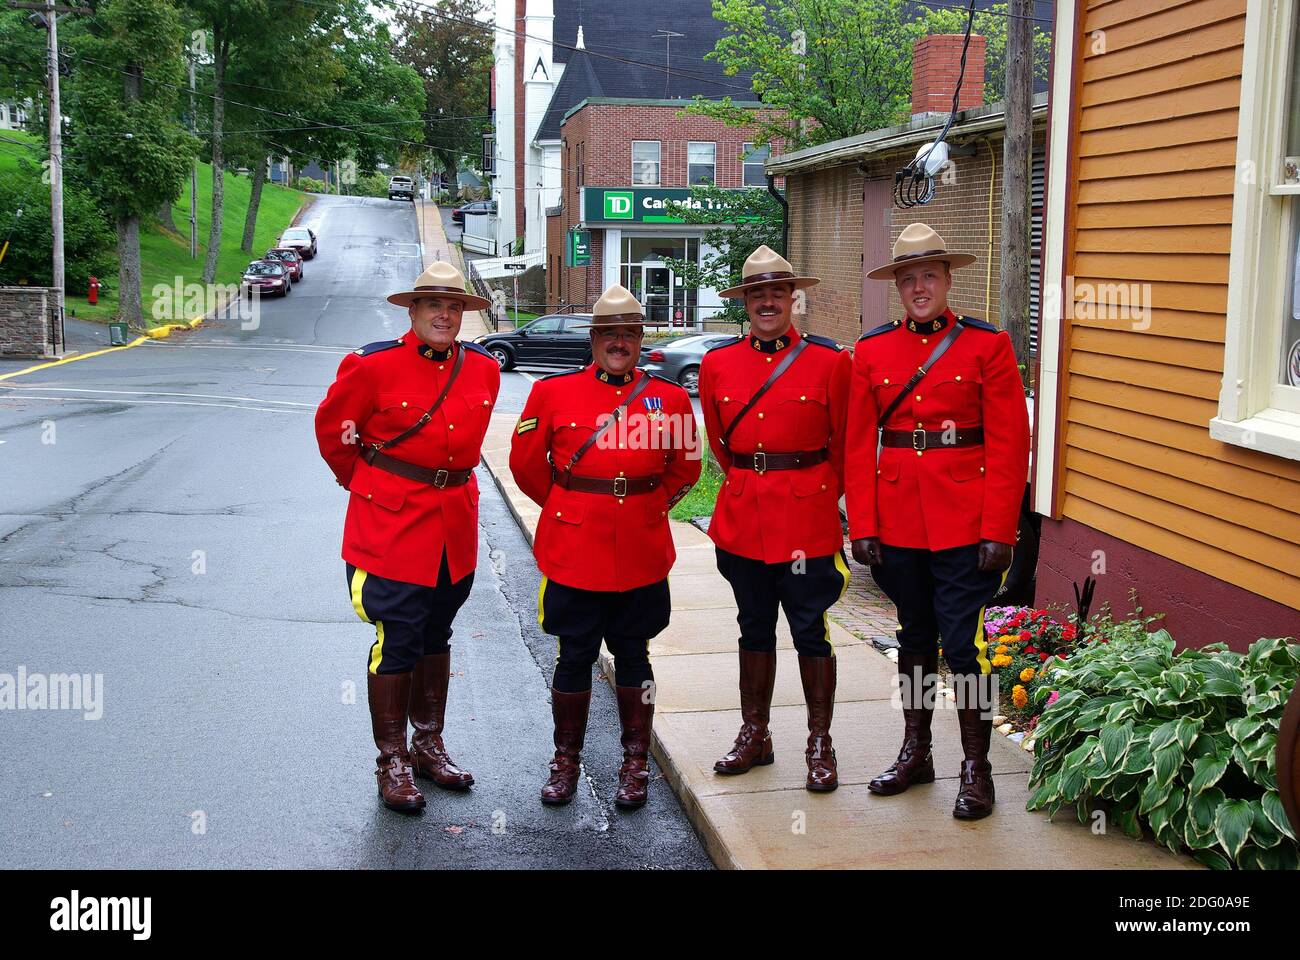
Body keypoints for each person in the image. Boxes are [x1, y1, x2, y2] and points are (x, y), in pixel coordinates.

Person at [845, 223, 1030, 820]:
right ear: (897, 286)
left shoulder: (987, 345)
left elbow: (1010, 442)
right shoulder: (871, 351)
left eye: (929, 275)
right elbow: (856, 445)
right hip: (899, 522)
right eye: (908, 278)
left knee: (963, 645)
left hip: (966, 525)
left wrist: (1002, 529)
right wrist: (862, 524)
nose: (919, 286)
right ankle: (916, 749)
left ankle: (976, 765)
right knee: (914, 640)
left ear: (949, 279)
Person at [315, 261, 500, 813]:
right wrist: (371, 486)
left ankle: (428, 744)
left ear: (463, 316)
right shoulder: (372, 366)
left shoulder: (484, 370)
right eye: (433, 305)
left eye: (454, 307)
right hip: (389, 526)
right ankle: (391, 759)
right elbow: (335, 433)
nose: (444, 314)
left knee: (437, 632)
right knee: (397, 637)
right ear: (412, 311)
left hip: (453, 526)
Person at [509, 284, 701, 808]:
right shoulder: (553, 394)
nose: (620, 342)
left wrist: (651, 504)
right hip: (575, 547)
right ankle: (565, 761)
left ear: (641, 340)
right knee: (573, 655)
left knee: (634, 653)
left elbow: (687, 466)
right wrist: (568, 506)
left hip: (640, 545)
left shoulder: (671, 397)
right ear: (593, 340)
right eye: (610, 333)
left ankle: (635, 763)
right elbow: (526, 464)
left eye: (630, 334)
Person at [698, 245, 853, 792]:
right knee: (753, 626)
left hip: (807, 522)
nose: (767, 303)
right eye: (756, 294)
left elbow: (845, 444)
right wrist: (753, 479)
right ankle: (754, 734)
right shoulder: (718, 363)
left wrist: (815, 491)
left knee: (810, 630)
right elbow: (721, 443)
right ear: (745, 302)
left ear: (793, 298)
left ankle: (819, 742)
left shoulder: (830, 361)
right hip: (743, 519)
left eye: (777, 293)